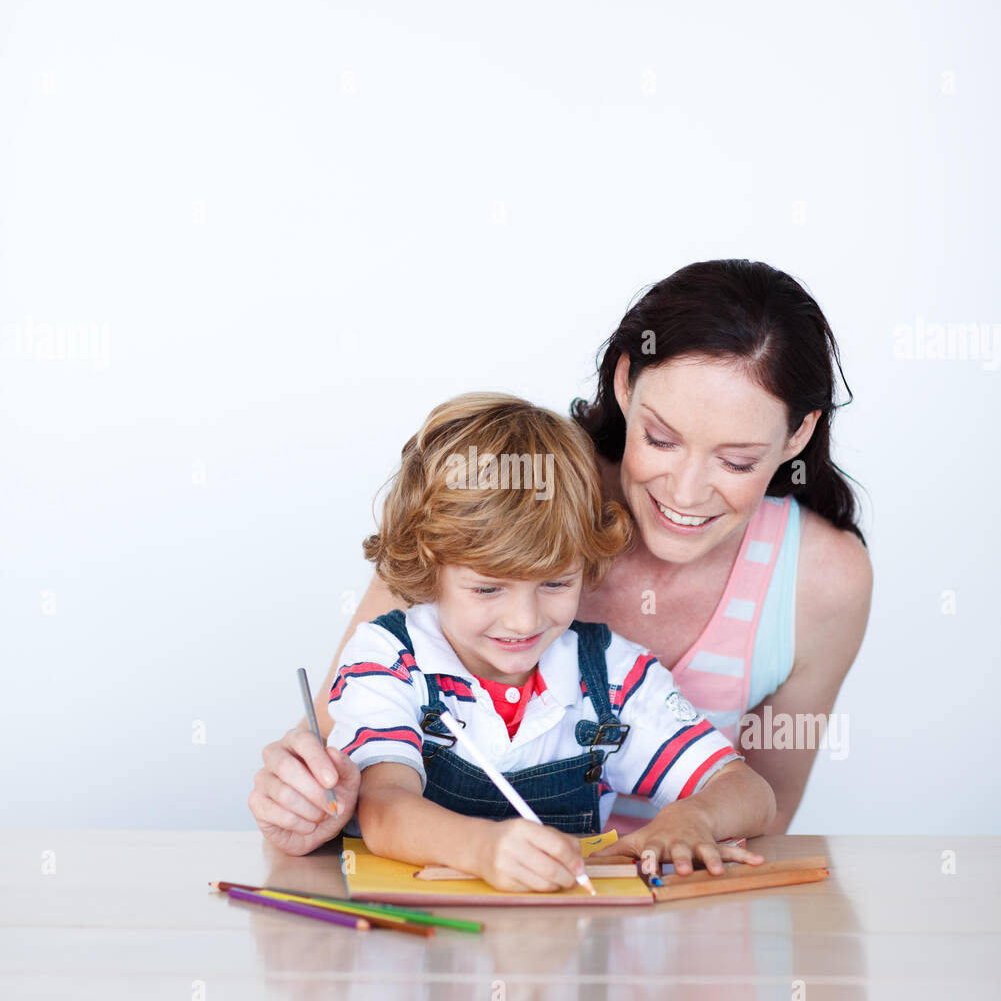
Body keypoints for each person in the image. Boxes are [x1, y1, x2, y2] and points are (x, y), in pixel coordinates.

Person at [249, 259, 871, 855]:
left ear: (798, 434)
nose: (685, 494)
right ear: (624, 382)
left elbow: (762, 810)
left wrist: (692, 822)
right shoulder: (505, 492)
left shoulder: (628, 667)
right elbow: (350, 778)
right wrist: (305, 797)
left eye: (736, 462)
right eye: (661, 439)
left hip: (627, 905)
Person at [311, 393, 774, 891]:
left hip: (569, 935)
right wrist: (483, 850)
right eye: (488, 588)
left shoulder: (613, 678)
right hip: (420, 930)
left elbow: (750, 792)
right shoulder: (389, 659)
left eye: (555, 583)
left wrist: (694, 817)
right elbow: (382, 808)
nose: (524, 620)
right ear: (430, 569)